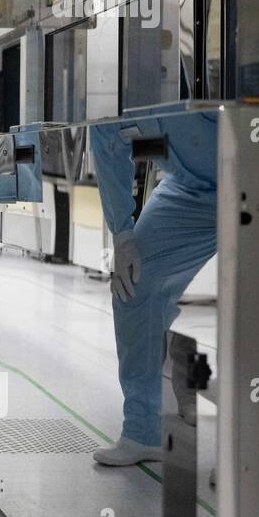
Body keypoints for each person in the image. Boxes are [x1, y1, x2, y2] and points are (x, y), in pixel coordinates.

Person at [89, 111, 217, 466]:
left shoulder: (192, 70)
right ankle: (141, 430)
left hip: (253, 182)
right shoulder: (111, 89)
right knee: (135, 284)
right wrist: (123, 236)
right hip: (186, 193)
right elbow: (106, 143)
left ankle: (255, 449)